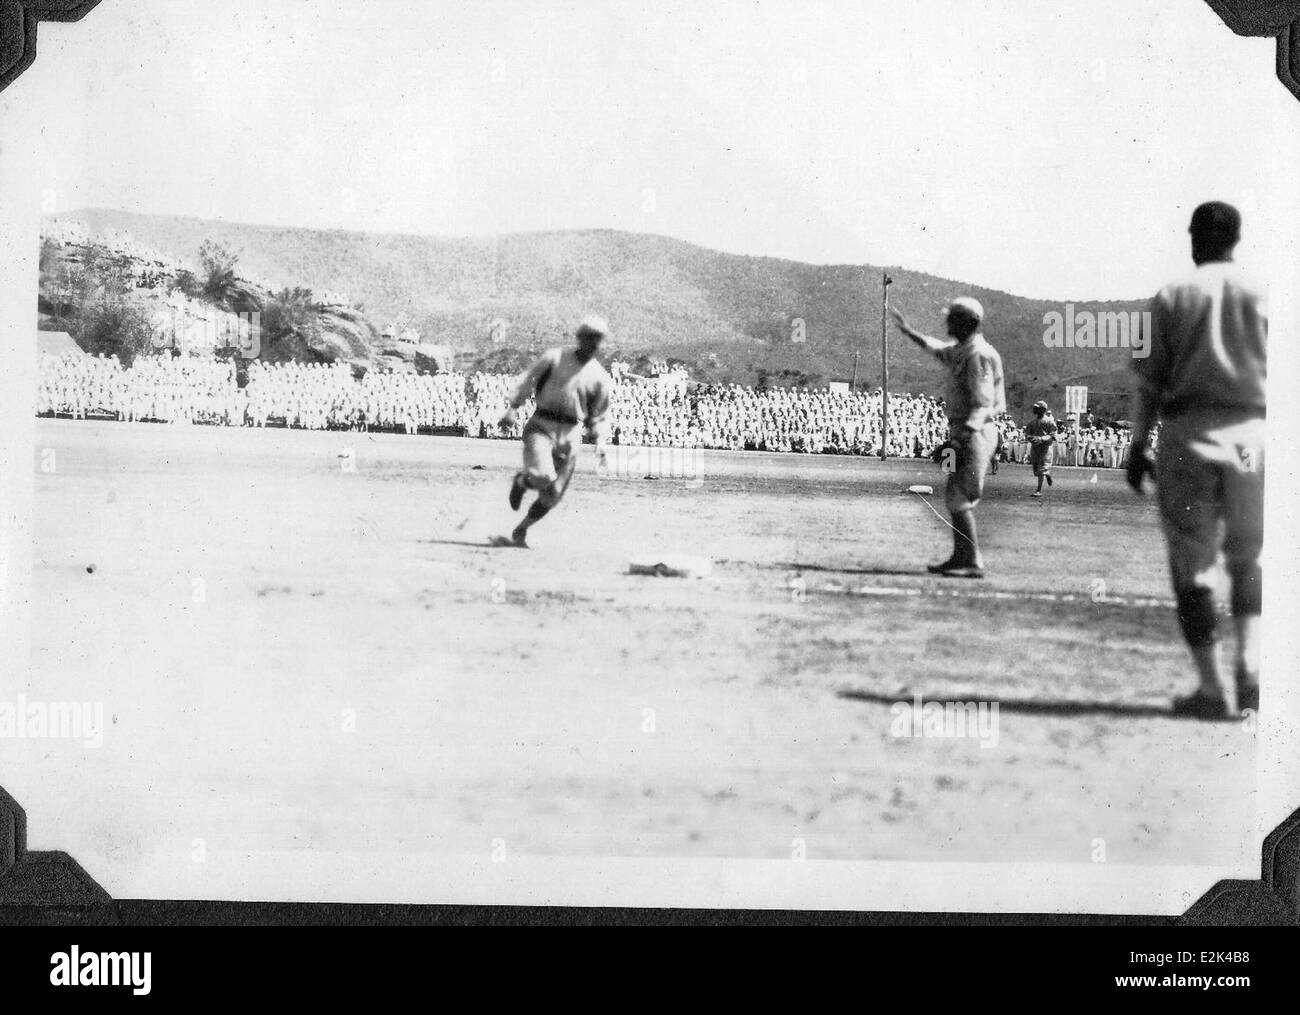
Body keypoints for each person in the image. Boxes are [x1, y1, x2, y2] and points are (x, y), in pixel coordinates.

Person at [1128, 201, 1266, 719]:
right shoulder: (1265, 295)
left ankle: (1211, 688)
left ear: (1195, 239)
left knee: (1193, 561)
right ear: (1236, 238)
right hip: (1255, 432)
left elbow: (1149, 383)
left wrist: (1138, 445)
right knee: (1249, 555)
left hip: (1190, 433)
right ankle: (1250, 665)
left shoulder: (1171, 296)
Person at [890, 296, 1006, 578]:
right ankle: (960, 557)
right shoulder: (963, 350)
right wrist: (909, 332)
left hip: (974, 431)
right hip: (965, 431)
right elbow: (936, 348)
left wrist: (958, 440)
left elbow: (982, 405)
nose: (947, 322)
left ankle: (971, 561)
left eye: (953, 318)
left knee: (960, 497)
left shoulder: (977, 354)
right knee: (954, 495)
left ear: (969, 323)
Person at [498, 316, 613, 547]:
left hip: (571, 433)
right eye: (589, 337)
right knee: (542, 476)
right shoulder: (555, 358)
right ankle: (522, 482)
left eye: (598, 339)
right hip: (542, 425)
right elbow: (528, 380)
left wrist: (600, 441)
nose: (593, 343)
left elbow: (599, 415)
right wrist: (513, 408)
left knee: (553, 495)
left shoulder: (600, 377)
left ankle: (521, 530)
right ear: (579, 337)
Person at [1024, 401, 1057, 496]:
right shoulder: (1032, 423)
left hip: (1045, 448)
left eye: (1037, 408)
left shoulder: (1049, 421)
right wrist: (1031, 438)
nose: (1034, 409)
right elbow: (1028, 434)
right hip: (1035, 448)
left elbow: (1053, 435)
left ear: (1042, 410)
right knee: (1036, 468)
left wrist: (1041, 439)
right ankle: (1047, 473)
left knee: (1041, 469)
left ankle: (1039, 490)